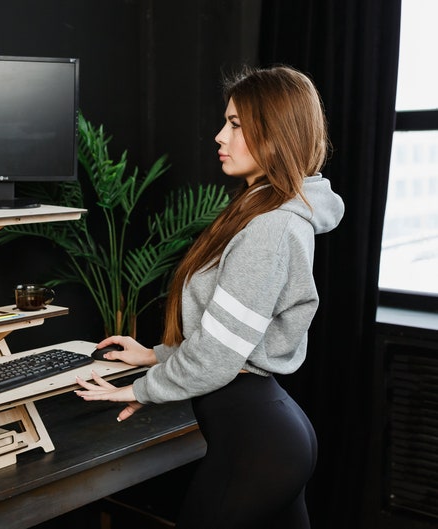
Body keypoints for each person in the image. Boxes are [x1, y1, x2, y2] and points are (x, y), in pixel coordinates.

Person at [74, 65, 345, 528]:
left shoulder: (272, 228)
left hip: (256, 444)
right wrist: (152, 356)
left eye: (236, 125)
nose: (220, 136)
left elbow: (219, 356)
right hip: (270, 428)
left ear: (277, 133)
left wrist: (143, 389)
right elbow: (229, 339)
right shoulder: (263, 211)